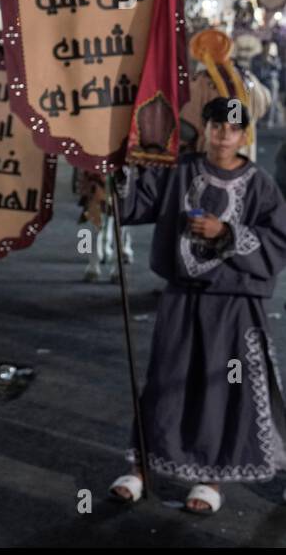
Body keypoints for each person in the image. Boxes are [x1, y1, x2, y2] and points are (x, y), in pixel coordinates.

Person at [110, 97, 286, 513]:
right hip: (182, 299)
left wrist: (225, 231)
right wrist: (115, 175)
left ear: (244, 134)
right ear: (205, 128)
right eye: (216, 125)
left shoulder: (261, 184)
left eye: (233, 128)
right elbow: (137, 202)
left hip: (235, 306)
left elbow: (279, 242)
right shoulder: (181, 170)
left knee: (222, 389)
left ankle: (212, 479)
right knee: (163, 382)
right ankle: (141, 468)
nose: (224, 134)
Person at [181, 28, 270, 162]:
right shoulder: (248, 78)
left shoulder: (200, 83)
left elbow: (187, 129)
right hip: (243, 161)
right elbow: (264, 103)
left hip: (210, 162)